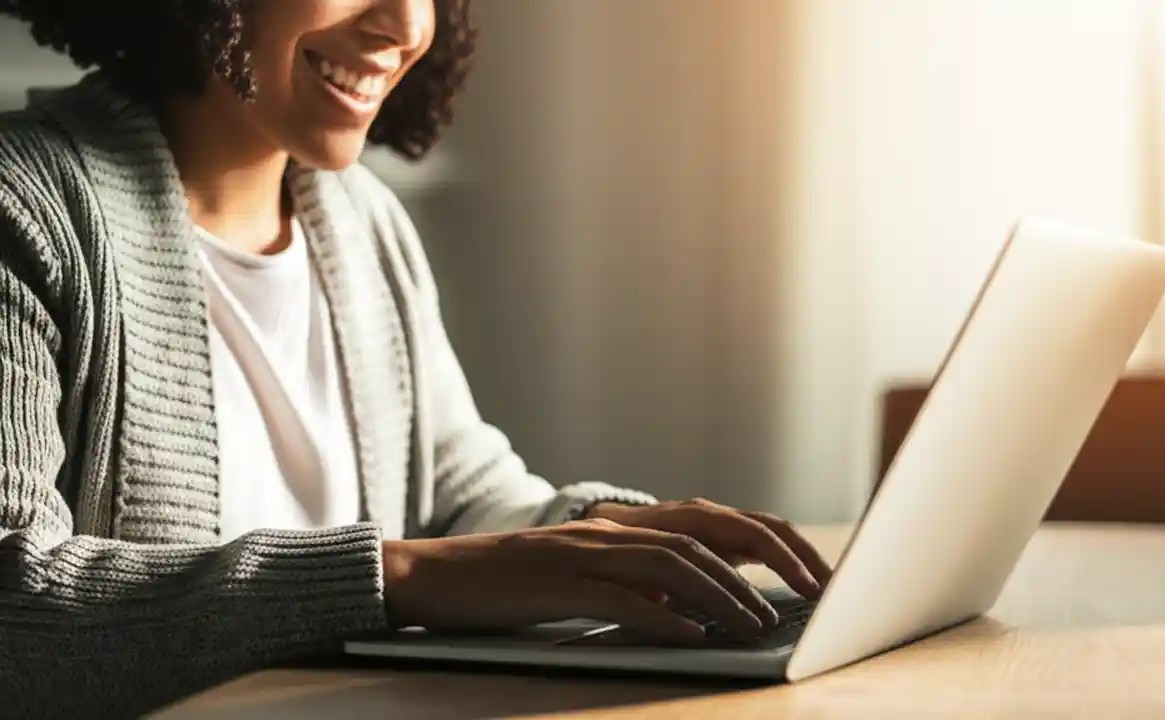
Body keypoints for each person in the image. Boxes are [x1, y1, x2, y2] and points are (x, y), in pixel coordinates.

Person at [0, 1, 832, 716]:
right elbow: (14, 613)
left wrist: (604, 540)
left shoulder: (362, 221)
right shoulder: (25, 208)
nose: (404, 25)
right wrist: (394, 576)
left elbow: (458, 499)